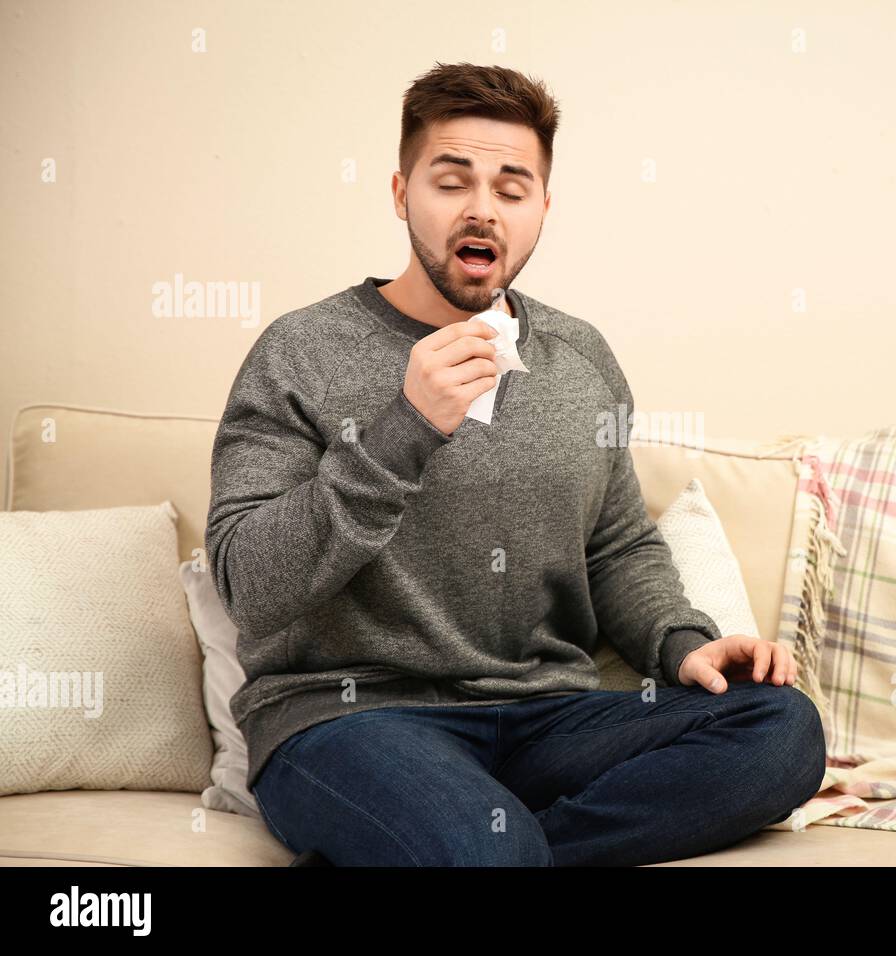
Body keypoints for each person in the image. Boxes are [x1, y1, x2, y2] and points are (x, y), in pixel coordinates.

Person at [205, 61, 826, 866]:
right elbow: (248, 583)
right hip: (350, 720)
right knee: (480, 851)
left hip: (548, 719)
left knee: (781, 729)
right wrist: (405, 430)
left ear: (542, 208)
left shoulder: (580, 358)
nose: (481, 210)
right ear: (401, 195)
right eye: (451, 181)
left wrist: (683, 643)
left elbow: (616, 547)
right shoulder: (299, 352)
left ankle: (511, 852)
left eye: (511, 188)